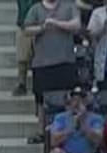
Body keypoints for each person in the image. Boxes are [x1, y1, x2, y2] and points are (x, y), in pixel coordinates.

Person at [23, 0, 82, 144]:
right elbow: (26, 29)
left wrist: (56, 23)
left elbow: (76, 25)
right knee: (41, 101)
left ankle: (67, 128)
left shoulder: (69, 6)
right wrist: (42, 27)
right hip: (42, 63)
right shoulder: (35, 9)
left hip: (65, 61)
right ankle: (41, 132)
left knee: (68, 97)